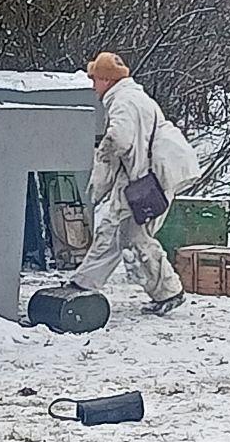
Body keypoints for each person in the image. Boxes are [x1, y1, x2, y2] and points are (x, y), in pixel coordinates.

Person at [70, 52, 201, 315]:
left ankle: (167, 291)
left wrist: (102, 156)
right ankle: (86, 282)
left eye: (94, 78)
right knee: (121, 233)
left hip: (142, 180)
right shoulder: (134, 97)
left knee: (131, 236)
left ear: (106, 79)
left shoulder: (122, 101)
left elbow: (119, 139)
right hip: (147, 177)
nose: (92, 84)